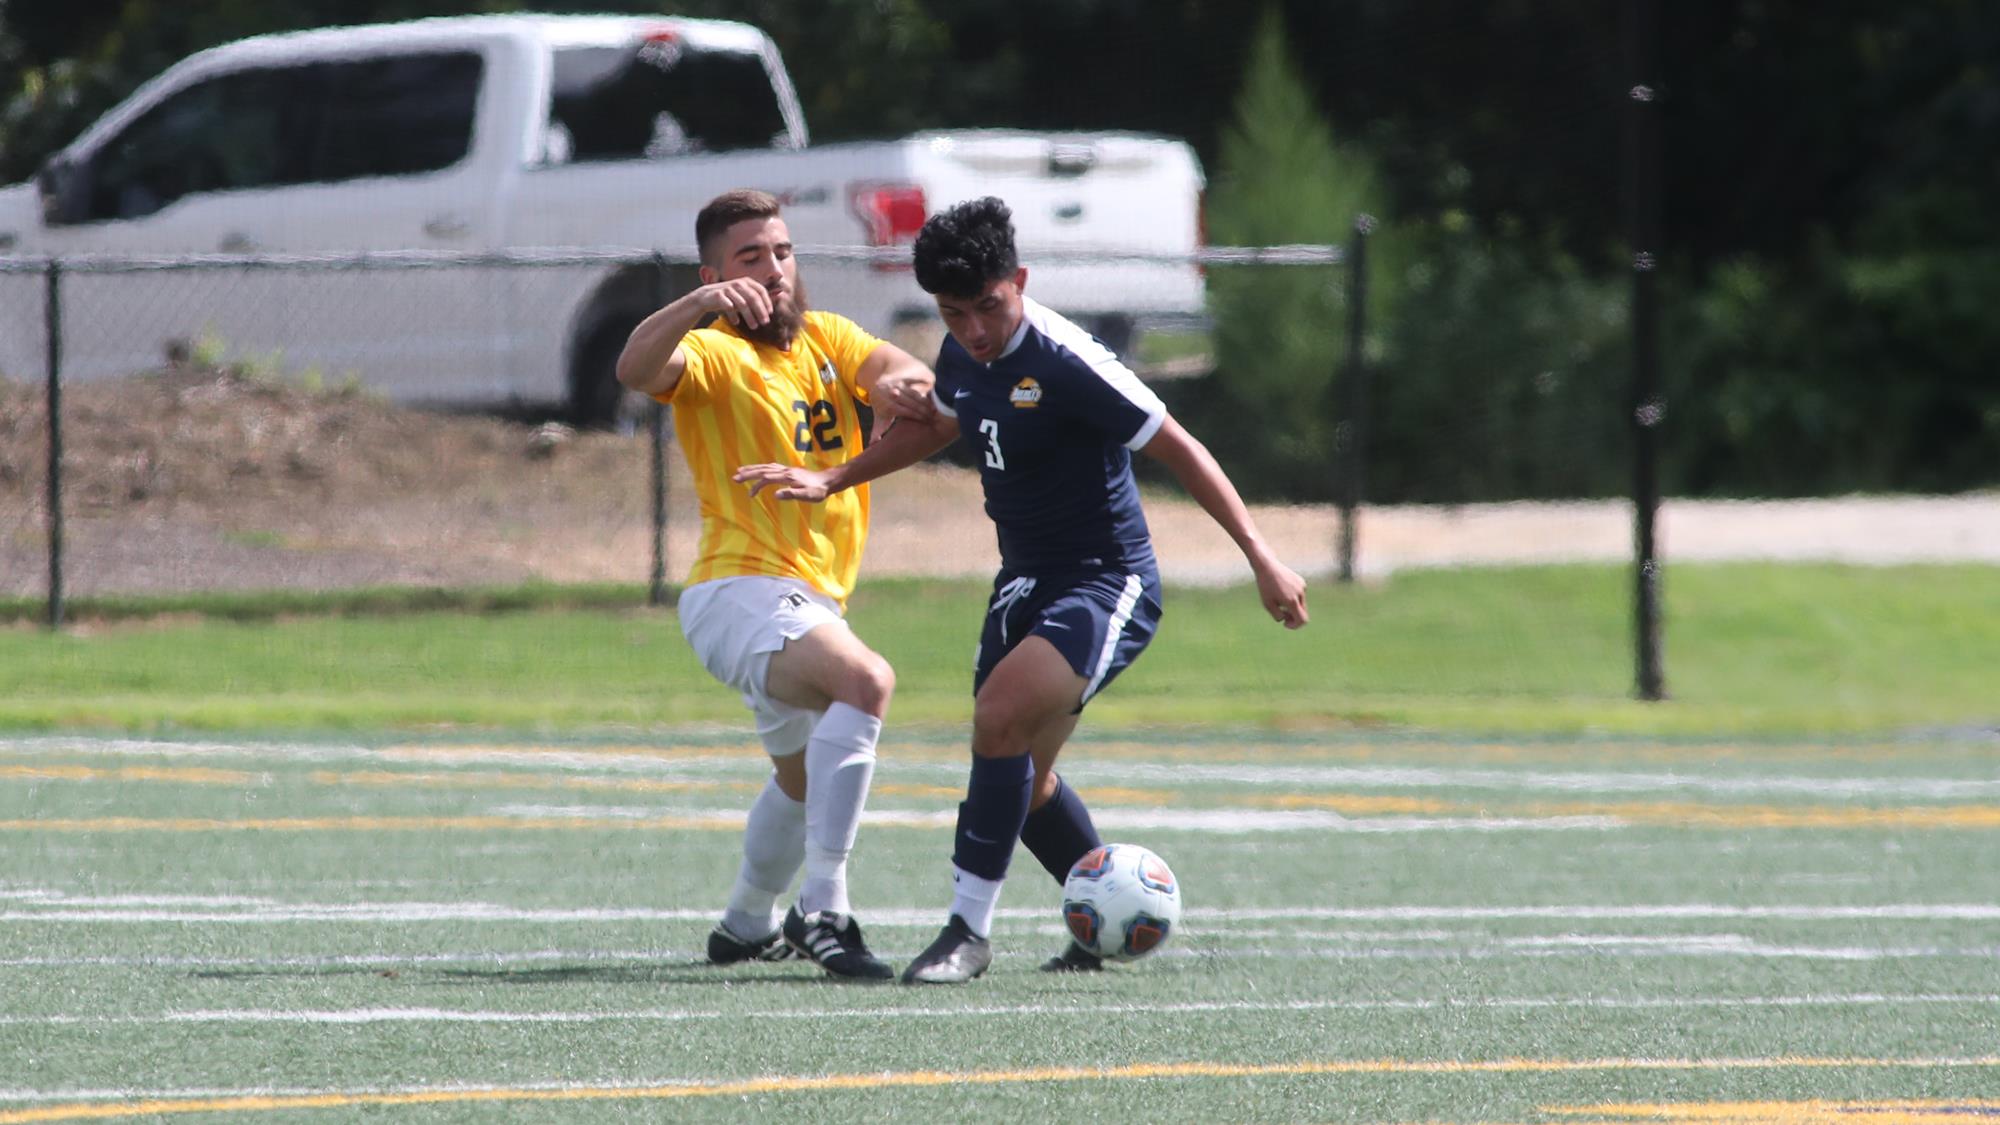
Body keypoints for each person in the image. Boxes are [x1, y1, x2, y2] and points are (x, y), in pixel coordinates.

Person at [732, 196, 1309, 983]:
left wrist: (1262, 558)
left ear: (1021, 281)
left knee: (998, 716)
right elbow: (937, 423)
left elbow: (1181, 446)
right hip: (1023, 582)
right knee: (1026, 780)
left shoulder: (1067, 359)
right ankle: (1101, 914)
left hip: (1107, 583)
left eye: (988, 307)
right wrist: (835, 476)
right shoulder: (965, 353)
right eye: (953, 311)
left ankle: (967, 931)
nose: (972, 328)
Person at [615, 188, 934, 981]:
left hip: (805, 598)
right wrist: (695, 305)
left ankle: (745, 921)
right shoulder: (718, 351)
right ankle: (824, 906)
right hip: (739, 589)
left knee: (800, 779)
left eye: (782, 252)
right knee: (866, 681)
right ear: (717, 274)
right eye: (750, 257)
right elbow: (634, 368)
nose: (773, 269)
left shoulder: (827, 338)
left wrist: (902, 386)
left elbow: (905, 372)